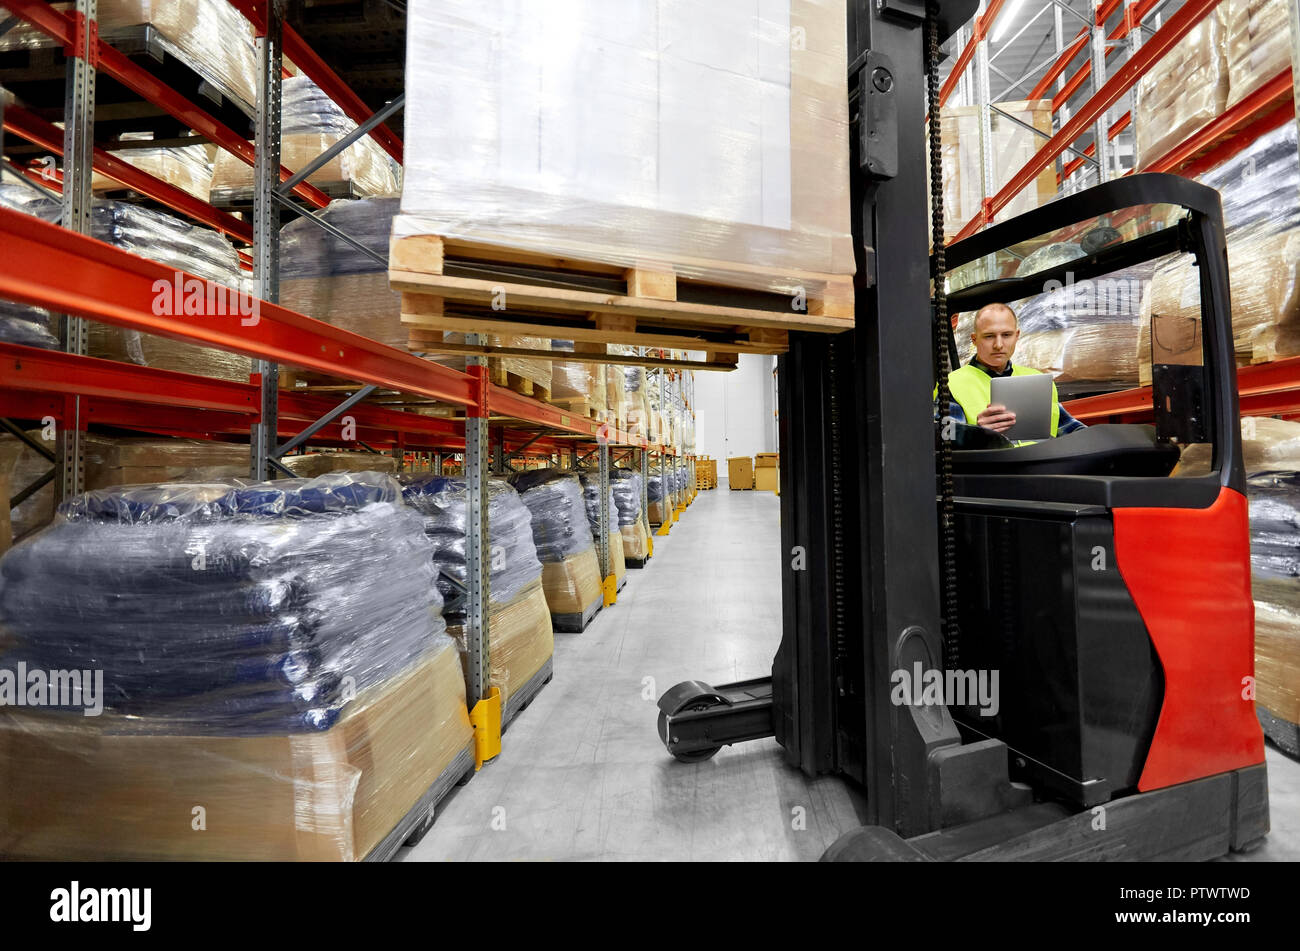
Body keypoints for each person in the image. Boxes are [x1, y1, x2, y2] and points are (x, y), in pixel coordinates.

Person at [937, 302, 1085, 438]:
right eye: (989, 336)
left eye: (1006, 335)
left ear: (1017, 336)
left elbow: (1068, 427)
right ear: (974, 340)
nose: (999, 345)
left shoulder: (1038, 380)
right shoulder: (951, 384)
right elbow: (945, 437)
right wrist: (976, 433)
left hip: (1041, 464)